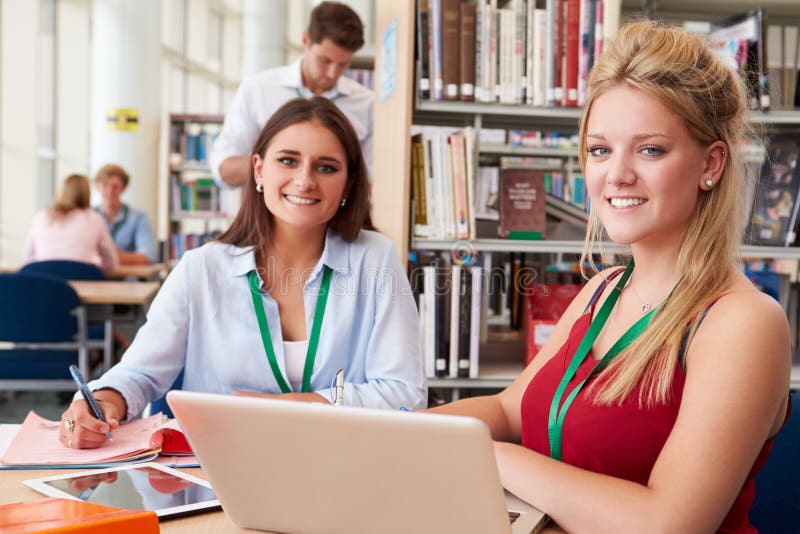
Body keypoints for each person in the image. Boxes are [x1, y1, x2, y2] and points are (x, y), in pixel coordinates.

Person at [431, 21, 791, 533]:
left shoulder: (743, 322)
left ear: (711, 163)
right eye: (600, 150)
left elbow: (667, 524)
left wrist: (490, 458)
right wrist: (399, 434)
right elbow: (511, 411)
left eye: (650, 150)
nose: (616, 175)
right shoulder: (603, 291)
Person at [58, 97, 426, 450]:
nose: (305, 180)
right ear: (259, 170)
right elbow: (138, 375)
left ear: (348, 183)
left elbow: (405, 393)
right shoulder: (200, 269)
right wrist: (102, 401)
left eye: (326, 167)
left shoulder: (375, 259)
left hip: (342, 472)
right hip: (217, 480)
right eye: (288, 160)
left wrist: (281, 408)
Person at [210, 1, 372, 188]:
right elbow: (223, 169)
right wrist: (278, 164)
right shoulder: (258, 89)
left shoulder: (366, 103)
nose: (332, 73)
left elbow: (372, 180)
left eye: (343, 64)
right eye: (324, 60)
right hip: (267, 214)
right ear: (306, 41)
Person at [23, 173, 118, 270]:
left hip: (44, 278)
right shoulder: (93, 218)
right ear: (87, 193)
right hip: (82, 278)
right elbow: (111, 261)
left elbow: (28, 258)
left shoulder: (41, 216)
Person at [94, 164, 158, 265]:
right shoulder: (88, 217)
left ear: (123, 188)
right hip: (94, 278)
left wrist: (113, 256)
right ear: (97, 186)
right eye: (105, 185)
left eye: (115, 186)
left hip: (128, 279)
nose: (110, 191)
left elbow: (149, 256)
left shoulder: (138, 218)